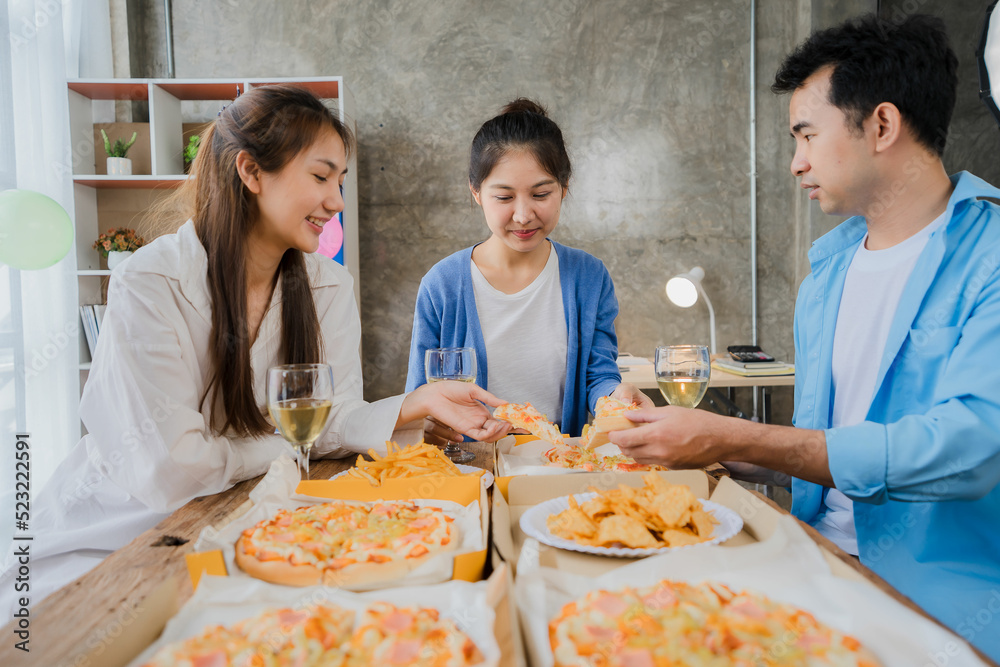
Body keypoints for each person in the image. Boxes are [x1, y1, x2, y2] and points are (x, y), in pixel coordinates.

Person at [0, 85, 509, 615]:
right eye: (320, 176)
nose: (335, 202)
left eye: (340, 181)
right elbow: (171, 468)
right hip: (113, 535)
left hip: (241, 514)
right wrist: (283, 448)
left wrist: (417, 402)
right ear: (251, 172)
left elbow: (330, 419)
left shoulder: (329, 285)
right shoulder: (150, 281)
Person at [610, 14, 1000, 661]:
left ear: (880, 124)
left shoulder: (988, 255)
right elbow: (823, 455)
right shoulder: (828, 273)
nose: (795, 163)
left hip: (939, 597)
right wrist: (698, 439)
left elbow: (970, 447)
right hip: (809, 559)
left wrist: (737, 435)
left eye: (806, 135)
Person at [405, 98, 650, 443]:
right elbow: (419, 396)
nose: (523, 215)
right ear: (476, 192)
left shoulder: (589, 278)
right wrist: (429, 422)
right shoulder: (442, 284)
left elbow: (599, 377)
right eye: (504, 197)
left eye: (540, 194)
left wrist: (617, 396)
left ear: (564, 188)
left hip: (559, 465)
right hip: (471, 469)